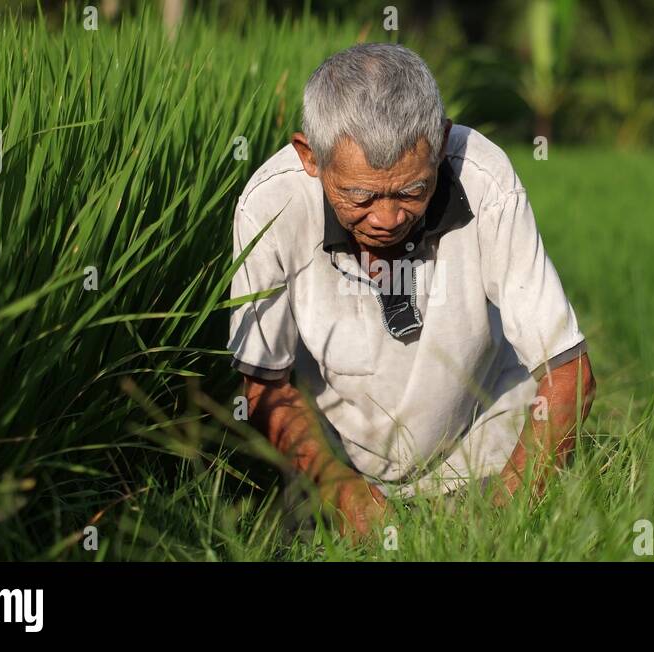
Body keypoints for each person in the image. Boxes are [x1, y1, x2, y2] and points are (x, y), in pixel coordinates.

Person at [228, 43, 595, 539]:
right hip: (342, 461)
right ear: (310, 156)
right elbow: (265, 386)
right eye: (358, 196)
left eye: (411, 191)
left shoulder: (484, 179)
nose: (386, 219)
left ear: (441, 144)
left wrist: (506, 519)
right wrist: (338, 488)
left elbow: (568, 372)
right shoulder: (270, 207)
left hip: (484, 440)